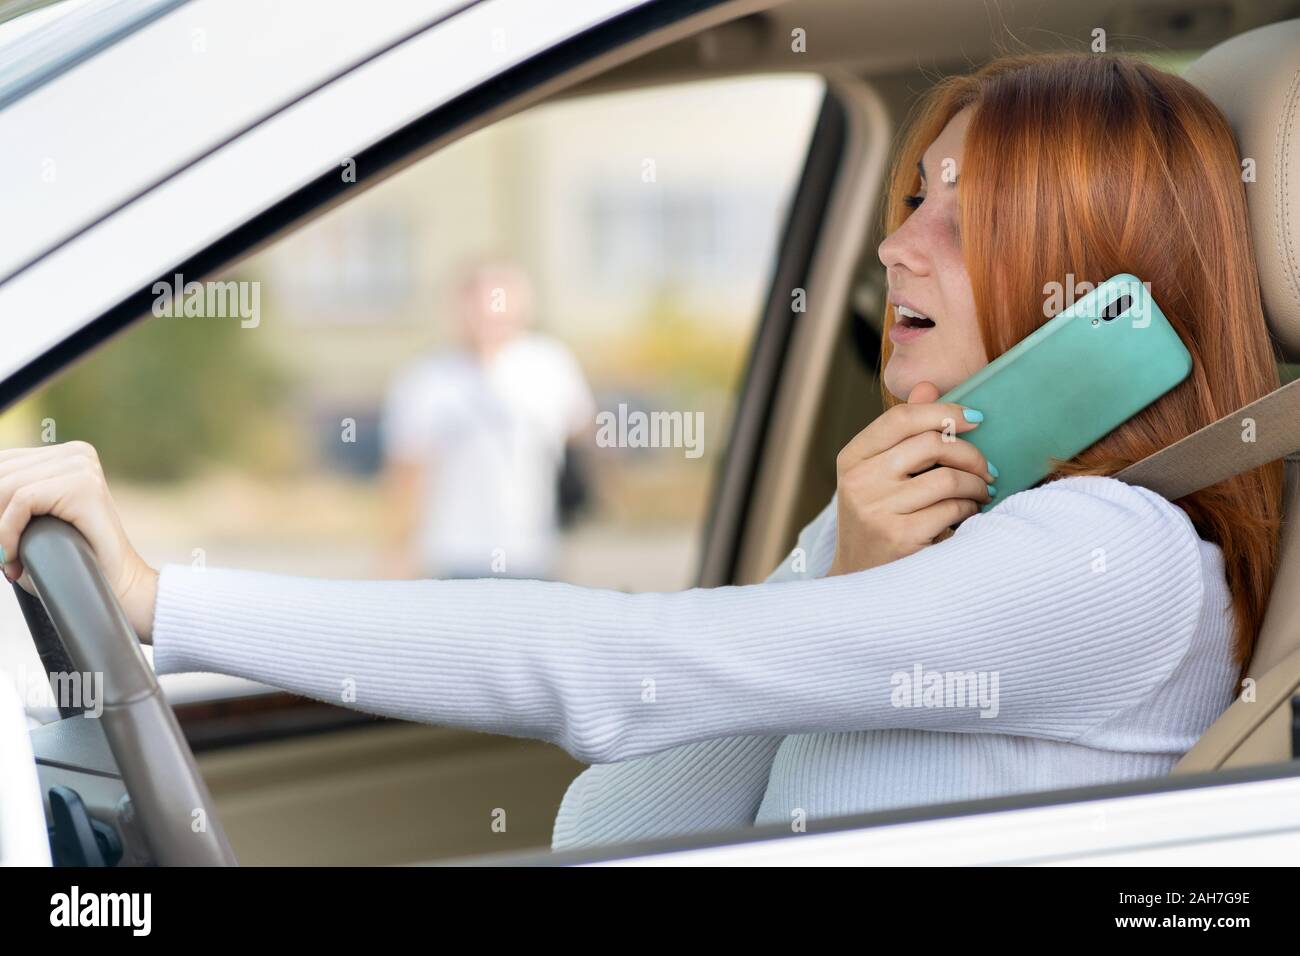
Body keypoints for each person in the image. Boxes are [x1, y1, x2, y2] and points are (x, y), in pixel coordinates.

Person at [0, 53, 1282, 851]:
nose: (899, 248)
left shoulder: (1109, 558)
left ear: (1096, 284)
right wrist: (839, 577)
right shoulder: (925, 531)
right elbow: (615, 821)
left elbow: (617, 670)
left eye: (970, 215)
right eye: (913, 200)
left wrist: (167, 599)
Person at [381, 258, 595, 580]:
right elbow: (406, 473)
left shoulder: (549, 364)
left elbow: (581, 435)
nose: (490, 315)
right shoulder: (427, 378)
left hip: (535, 553)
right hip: (454, 557)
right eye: (478, 304)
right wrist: (395, 554)